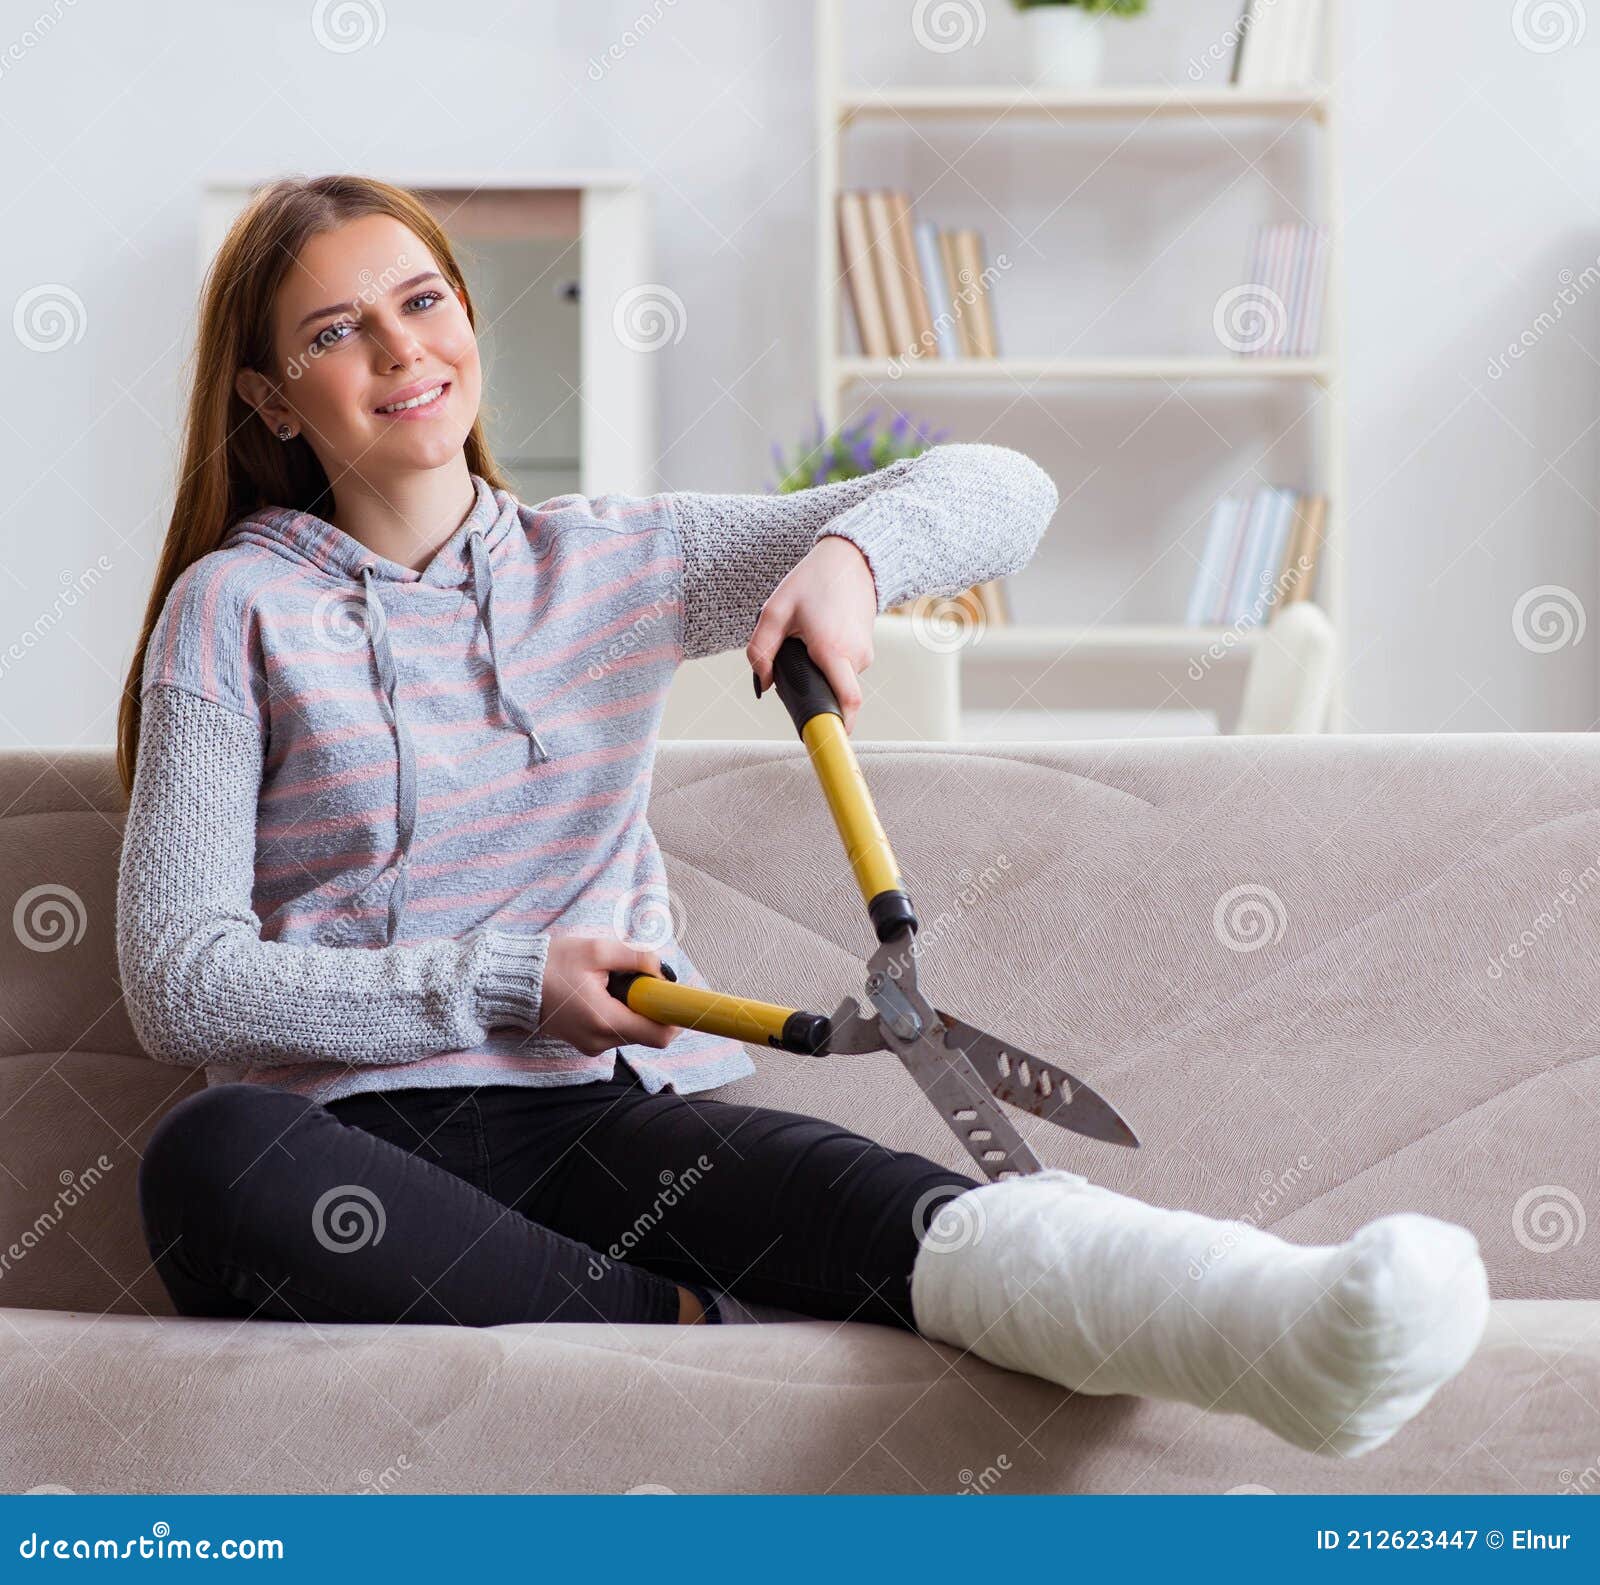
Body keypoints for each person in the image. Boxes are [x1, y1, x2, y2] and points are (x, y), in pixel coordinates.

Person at [120, 174, 1487, 1461]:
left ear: (470, 317)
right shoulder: (232, 610)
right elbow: (179, 984)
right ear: (273, 398)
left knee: (862, 1195)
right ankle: (676, 1328)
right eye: (334, 333)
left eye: (423, 300)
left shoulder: (612, 561)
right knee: (205, 1160)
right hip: (347, 1142)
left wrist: (851, 558)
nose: (400, 349)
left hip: (603, 1121)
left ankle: (1278, 1327)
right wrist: (510, 980)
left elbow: (1010, 490)